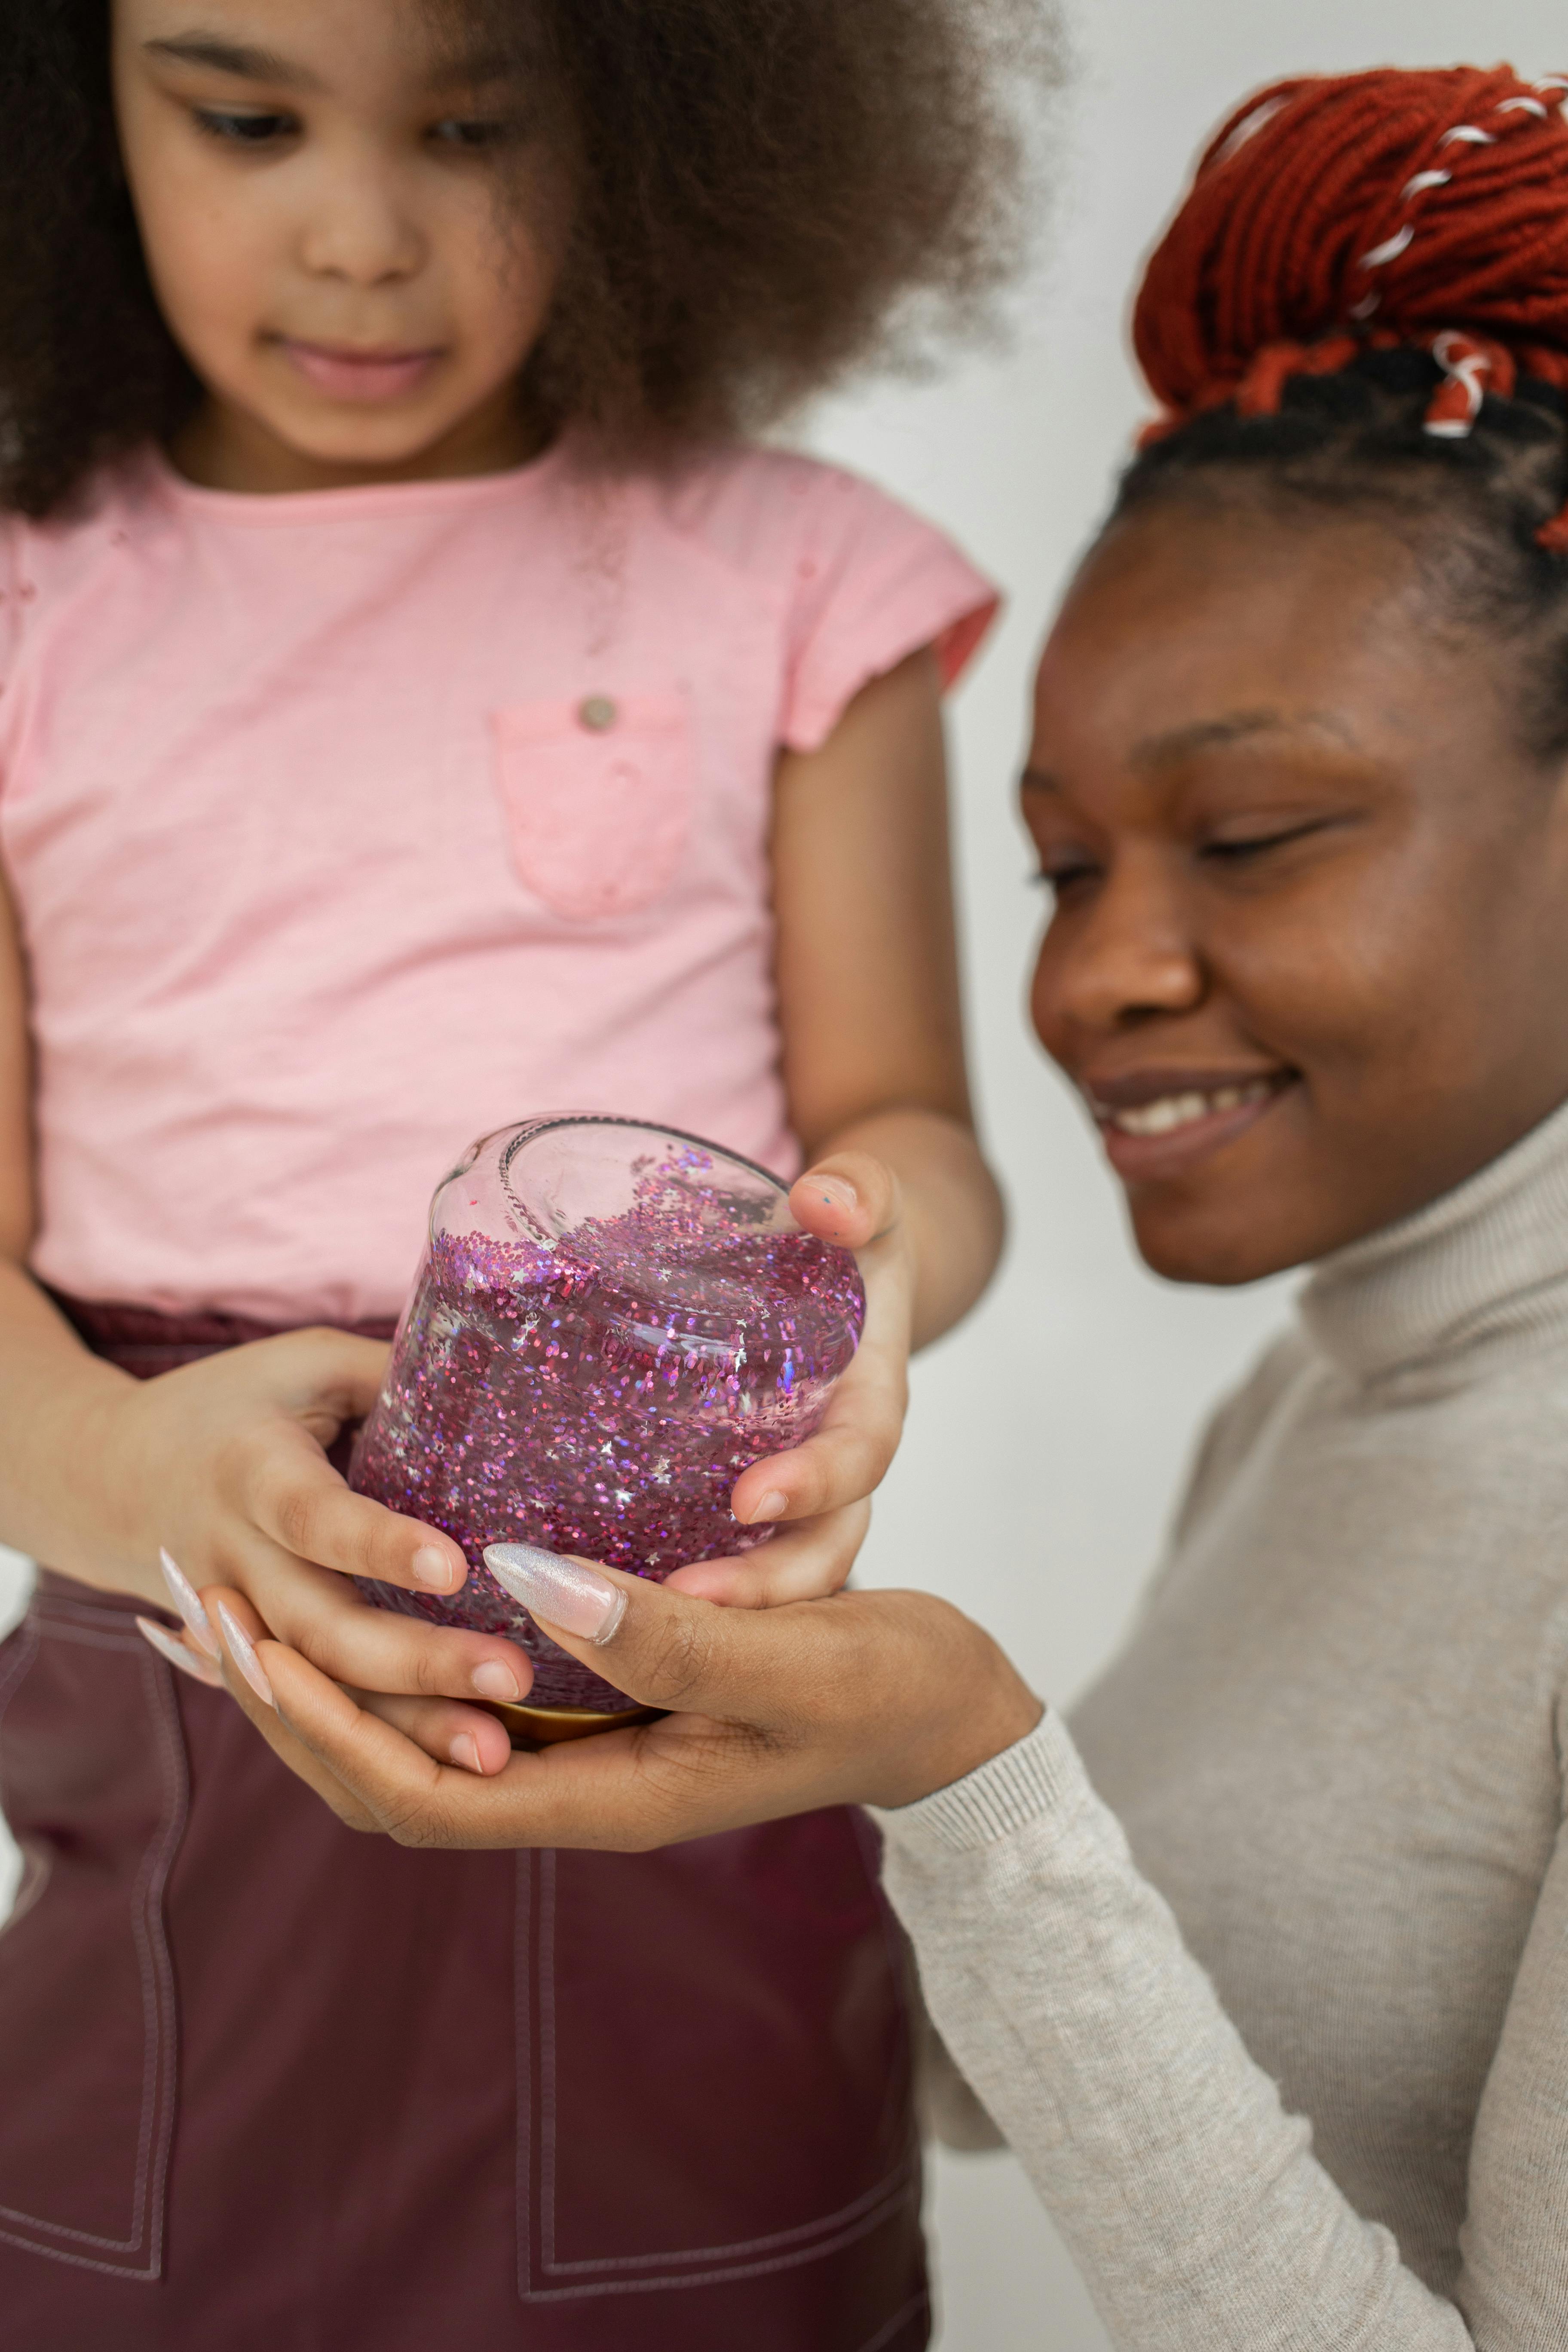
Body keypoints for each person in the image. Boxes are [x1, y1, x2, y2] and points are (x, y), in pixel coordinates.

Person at [212, 64, 1568, 2349]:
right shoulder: (1319, 1401)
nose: (1092, 976)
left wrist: (964, 1769)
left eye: (1247, 840)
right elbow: (1010, 2061)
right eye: (1059, 865)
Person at [0, 1, 1030, 2342]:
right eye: (244, 117)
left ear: (670, 126)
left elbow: (917, 1144)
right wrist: (129, 1461)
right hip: (176, 1747)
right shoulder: (26, 619)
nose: (363, 239)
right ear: (69, 103)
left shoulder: (792, 583)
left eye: (476, 128)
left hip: (682, 1693)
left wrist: (864, 1301)